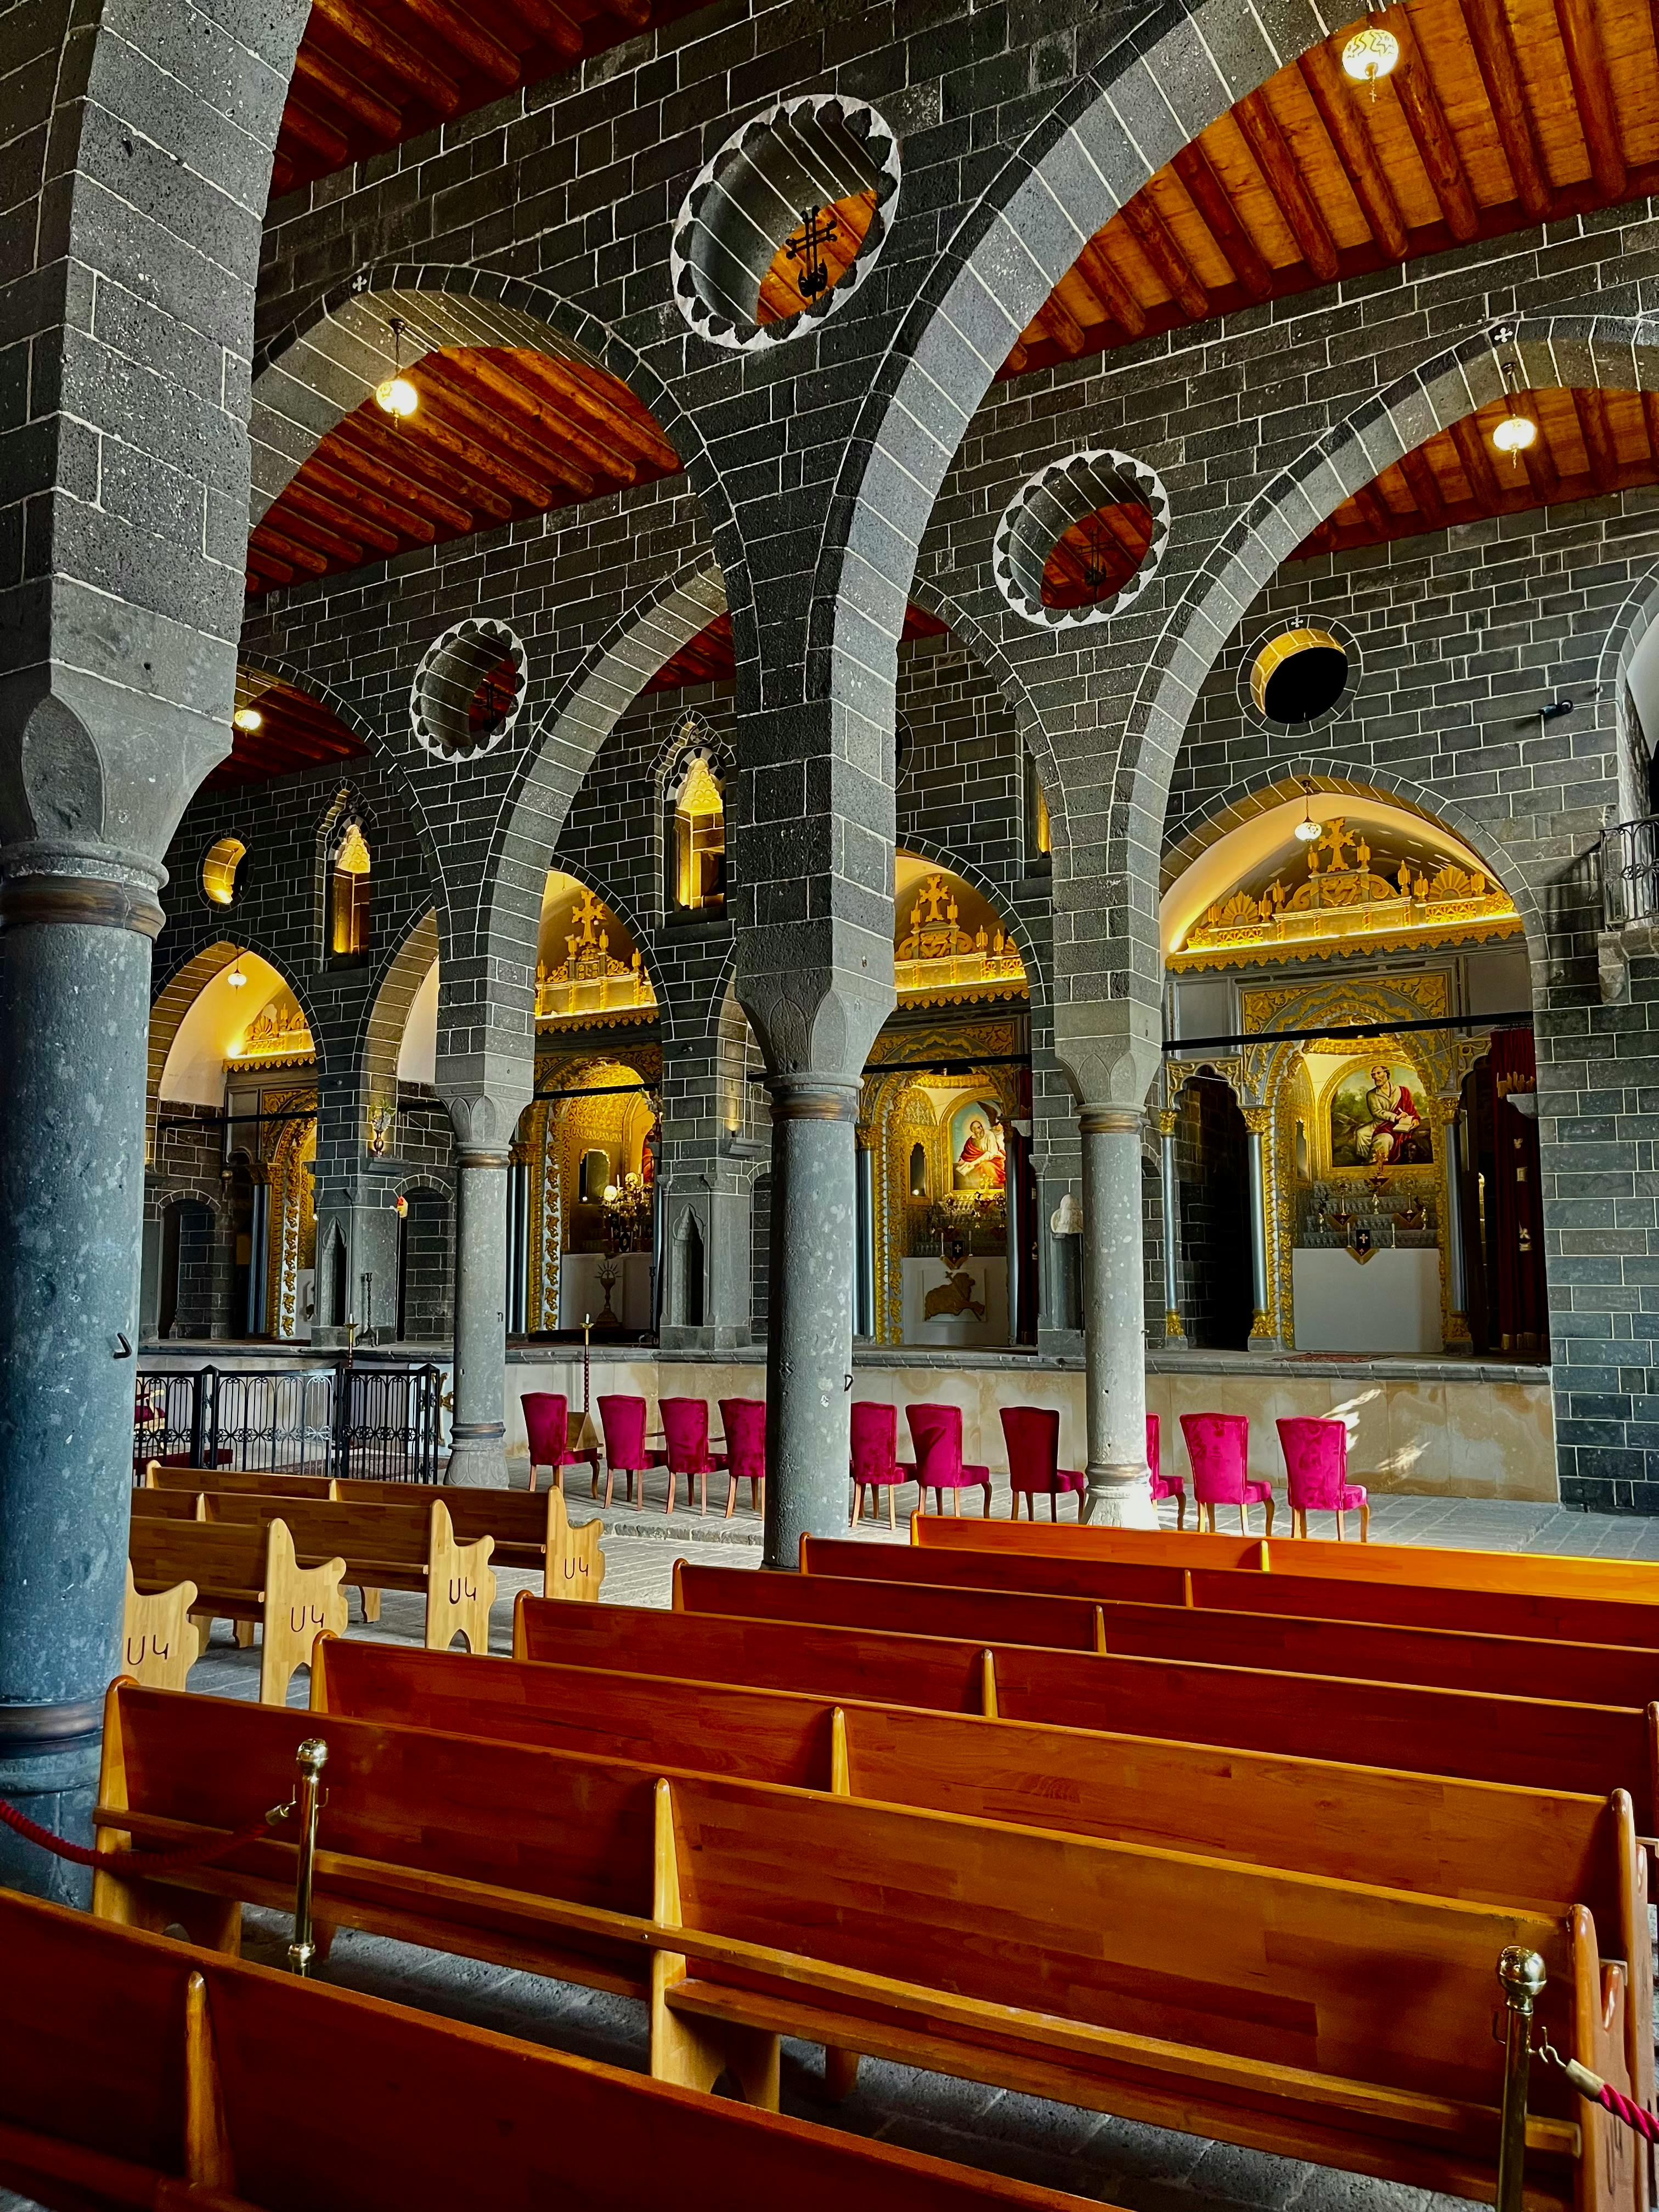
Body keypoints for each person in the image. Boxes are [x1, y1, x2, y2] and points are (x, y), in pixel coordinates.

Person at [1355, 1065, 1420, 1166]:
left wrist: (1415, 1119)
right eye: (1373, 1075)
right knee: (1361, 1134)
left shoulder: (1402, 1091)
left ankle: (1375, 1162)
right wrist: (1395, 1117)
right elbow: (1377, 1112)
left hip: (1398, 1125)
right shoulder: (1372, 1094)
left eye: (1379, 1073)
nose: (1376, 1077)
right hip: (1379, 1124)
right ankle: (1366, 1161)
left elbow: (1410, 1109)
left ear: (1386, 1073)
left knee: (1383, 1139)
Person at [955, 1113, 1007, 1188]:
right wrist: (962, 1160)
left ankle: (994, 1186)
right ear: (974, 1131)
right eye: (978, 1128)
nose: (981, 1129)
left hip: (994, 1159)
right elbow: (966, 1154)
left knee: (985, 1166)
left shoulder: (989, 1135)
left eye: (981, 1126)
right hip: (977, 1161)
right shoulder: (971, 1140)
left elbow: (991, 1153)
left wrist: (975, 1162)